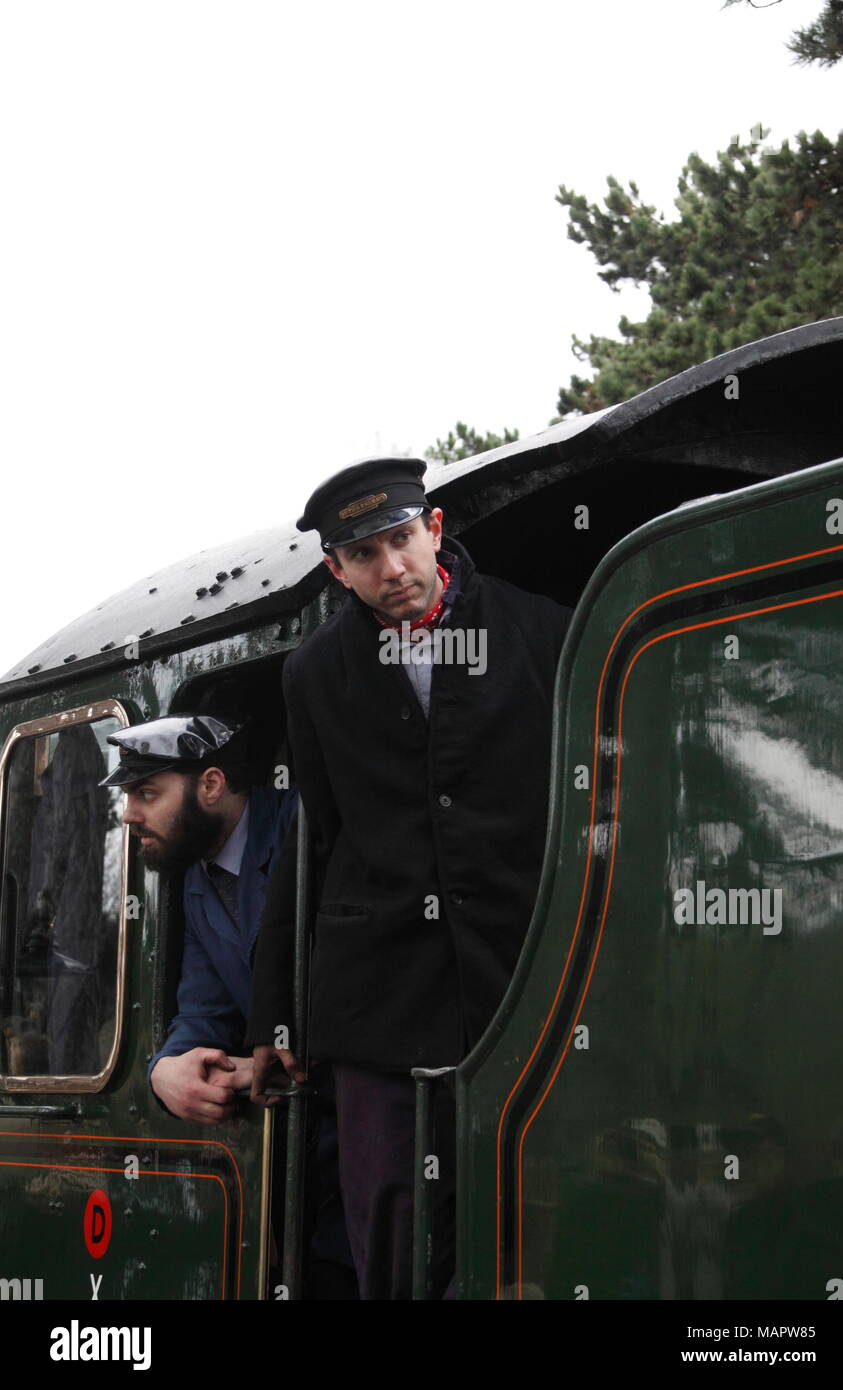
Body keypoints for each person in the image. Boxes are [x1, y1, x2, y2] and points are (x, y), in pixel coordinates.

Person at [247, 457, 572, 1299]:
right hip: (379, 999)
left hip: (526, 974)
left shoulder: (547, 631)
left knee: (543, 1217)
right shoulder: (313, 672)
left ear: (433, 529)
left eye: (400, 540)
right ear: (336, 570)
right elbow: (314, 839)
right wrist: (279, 1017)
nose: (391, 569)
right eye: (363, 555)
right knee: (396, 1241)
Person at [99, 713, 295, 1123]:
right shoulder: (196, 882)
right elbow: (205, 1011)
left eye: (147, 794)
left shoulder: (298, 830)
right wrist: (165, 1070)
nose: (129, 815)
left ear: (210, 785)